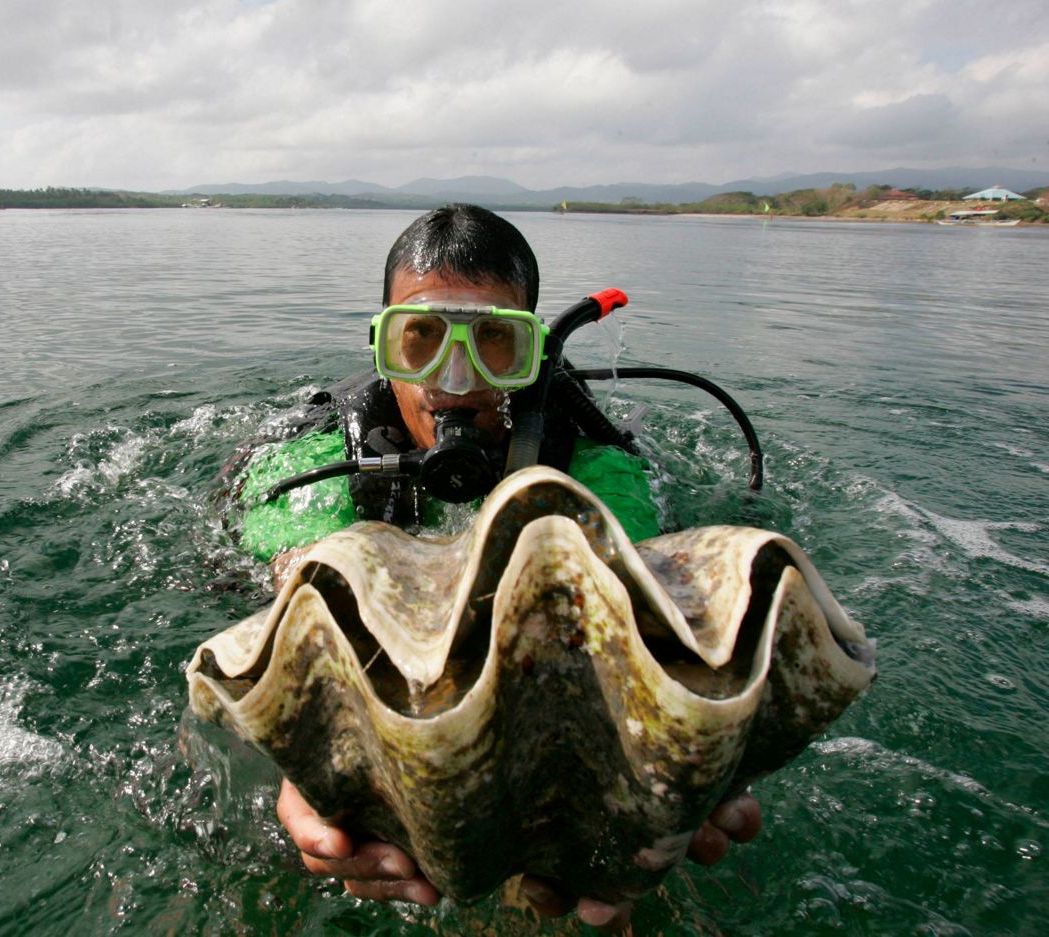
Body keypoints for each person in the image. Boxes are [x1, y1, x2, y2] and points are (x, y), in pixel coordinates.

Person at [221, 204, 762, 932]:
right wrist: (318, 747)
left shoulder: (599, 469)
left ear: (535, 350)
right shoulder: (315, 465)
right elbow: (302, 586)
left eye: (494, 344)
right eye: (420, 339)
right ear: (384, 343)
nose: (454, 377)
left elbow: (630, 603)